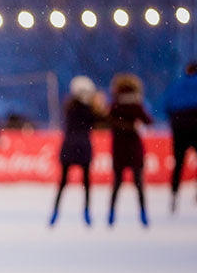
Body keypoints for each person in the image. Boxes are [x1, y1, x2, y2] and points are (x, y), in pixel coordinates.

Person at [163, 62, 197, 212]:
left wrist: (175, 120)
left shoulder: (177, 83)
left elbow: (166, 103)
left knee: (179, 162)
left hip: (179, 125)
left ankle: (174, 193)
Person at [50, 76, 101, 227]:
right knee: (84, 183)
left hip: (70, 148)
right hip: (81, 148)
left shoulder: (70, 107)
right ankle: (84, 212)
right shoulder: (84, 109)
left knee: (64, 183)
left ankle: (57, 212)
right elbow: (99, 121)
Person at [106, 73, 153, 227]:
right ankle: (143, 213)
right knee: (138, 183)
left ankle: (111, 213)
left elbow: (107, 121)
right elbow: (149, 121)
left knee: (117, 183)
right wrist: (132, 125)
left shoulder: (115, 105)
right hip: (134, 147)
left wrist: (121, 125)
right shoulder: (136, 106)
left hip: (119, 148)